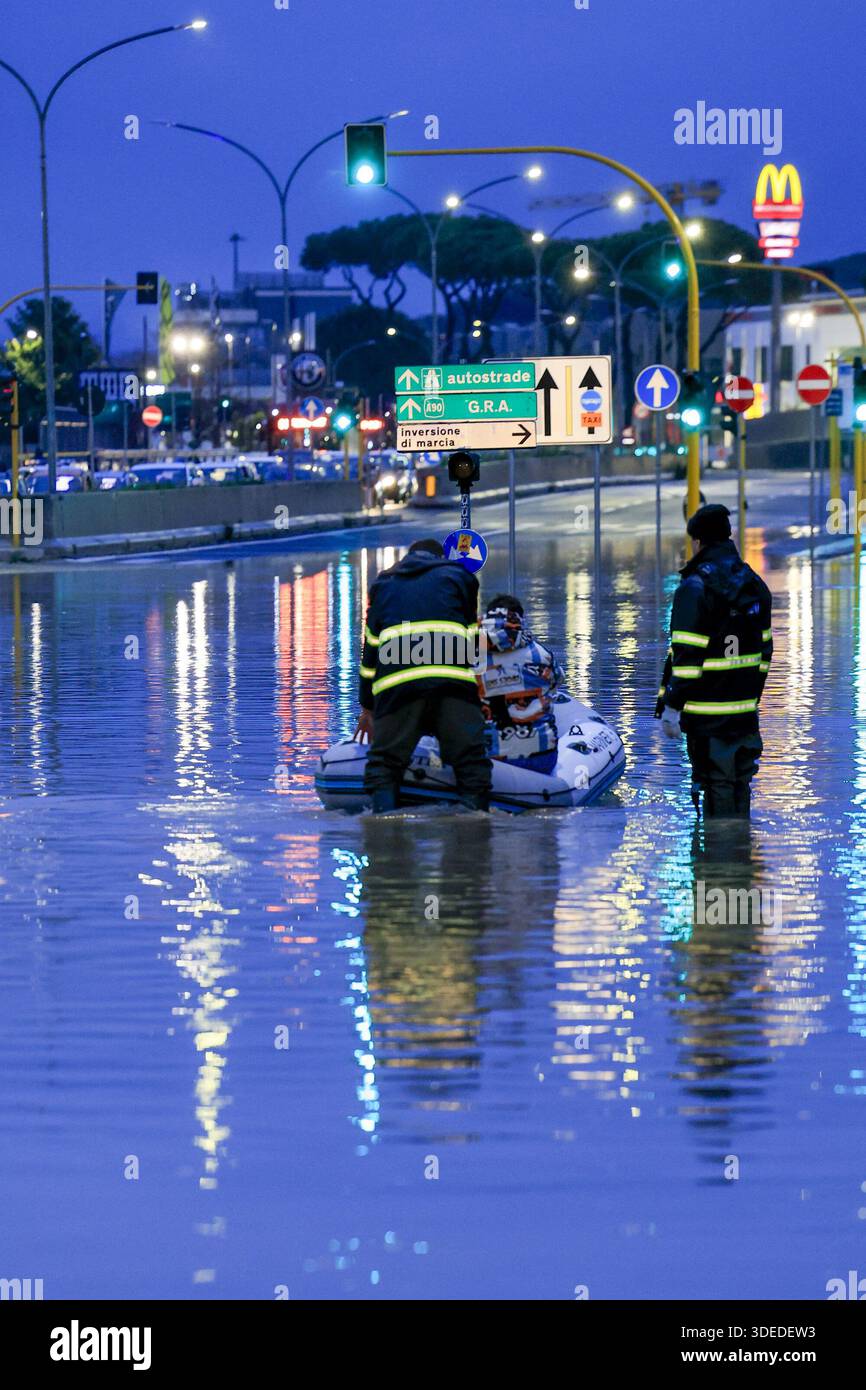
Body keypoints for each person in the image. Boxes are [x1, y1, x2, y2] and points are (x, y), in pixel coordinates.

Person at [354, 538, 492, 813]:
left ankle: (382, 832)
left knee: (384, 765)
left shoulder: (382, 585)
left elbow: (369, 654)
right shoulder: (460, 578)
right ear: (440, 557)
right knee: (471, 763)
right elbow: (474, 644)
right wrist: (481, 697)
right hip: (451, 685)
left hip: (397, 688)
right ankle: (475, 835)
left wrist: (368, 708)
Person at [654, 503, 773, 818]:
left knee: (715, 784)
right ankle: (741, 851)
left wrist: (671, 706)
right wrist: (749, 696)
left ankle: (720, 858)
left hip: (707, 716)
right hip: (745, 713)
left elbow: (687, 658)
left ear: (698, 542)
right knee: (740, 781)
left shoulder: (694, 589)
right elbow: (765, 651)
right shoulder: (754, 584)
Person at [476, 595, 565, 775]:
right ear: (520, 620)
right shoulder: (541, 654)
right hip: (542, 757)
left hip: (492, 760)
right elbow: (557, 681)